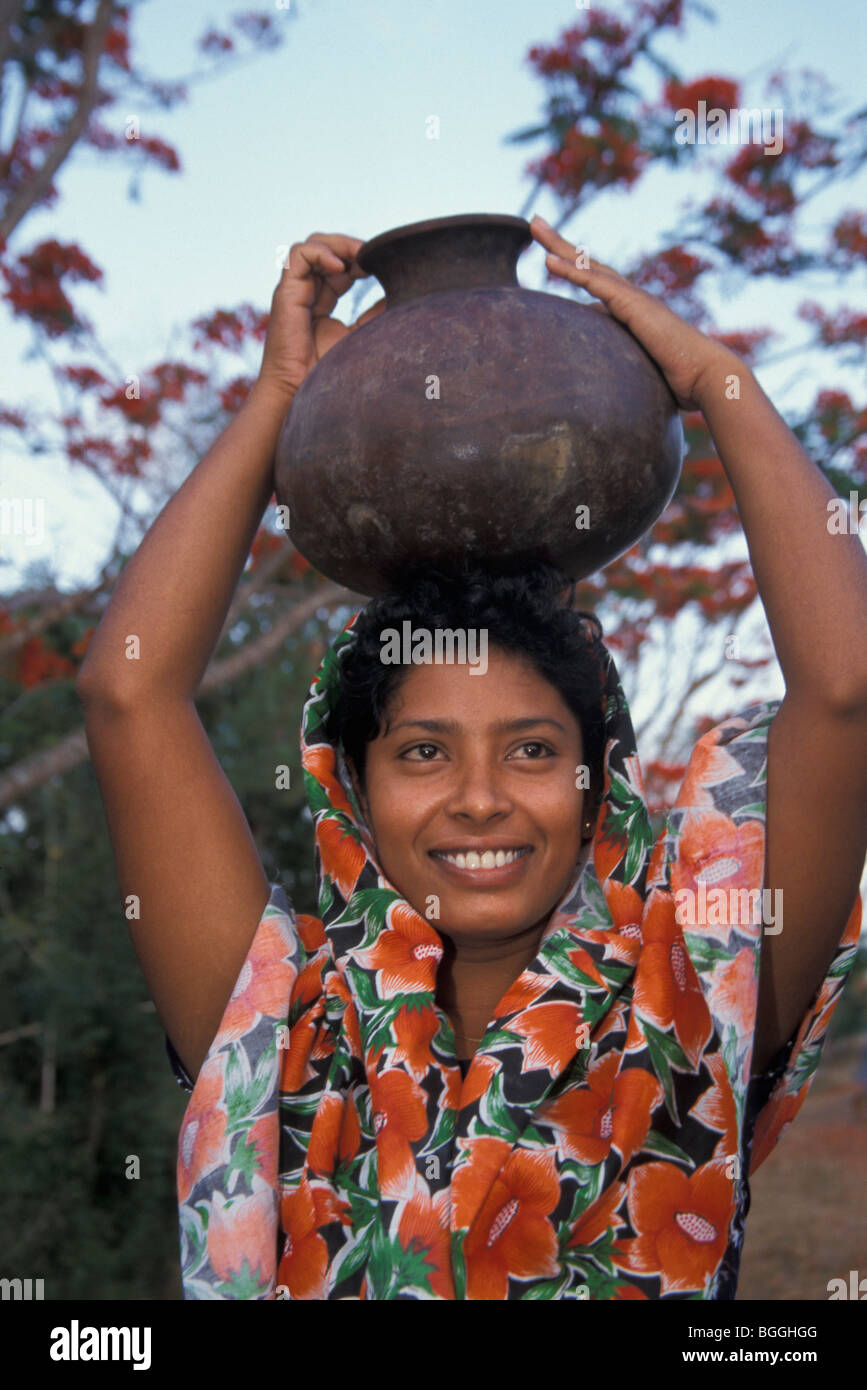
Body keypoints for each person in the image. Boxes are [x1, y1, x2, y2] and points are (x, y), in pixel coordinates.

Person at [76, 222, 867, 1300]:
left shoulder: (694, 995)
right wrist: (281, 398)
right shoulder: (288, 1025)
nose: (482, 799)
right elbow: (127, 693)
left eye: (534, 749)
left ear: (599, 779)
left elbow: (848, 691)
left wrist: (718, 381)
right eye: (423, 752)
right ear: (353, 787)